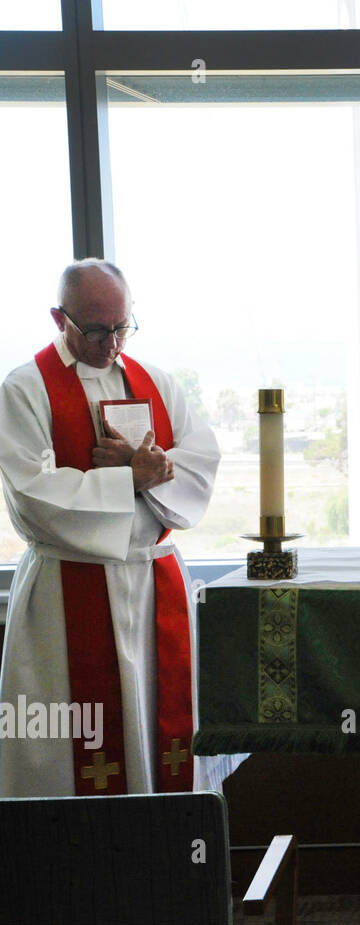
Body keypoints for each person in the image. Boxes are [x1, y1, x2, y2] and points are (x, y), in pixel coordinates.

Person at [0, 259, 226, 797]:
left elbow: (199, 462)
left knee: (160, 733)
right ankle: (67, 874)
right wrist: (130, 479)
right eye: (96, 330)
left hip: (154, 587)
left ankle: (169, 864)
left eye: (121, 327)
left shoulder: (158, 382)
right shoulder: (24, 389)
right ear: (60, 318)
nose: (111, 344)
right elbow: (32, 493)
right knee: (67, 746)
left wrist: (149, 474)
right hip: (66, 592)